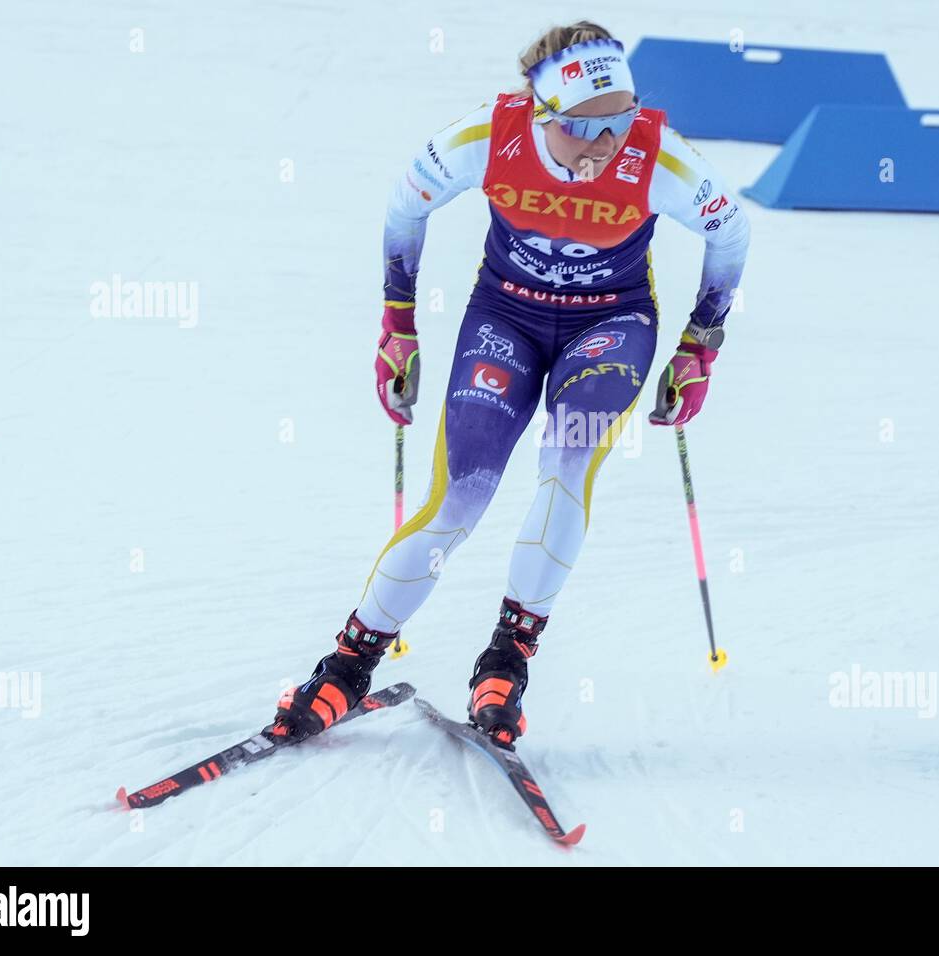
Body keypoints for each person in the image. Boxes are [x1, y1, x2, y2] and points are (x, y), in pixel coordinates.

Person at [268, 22, 749, 749]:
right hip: (506, 324)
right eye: (584, 127)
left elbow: (732, 231)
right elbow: (406, 209)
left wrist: (697, 347)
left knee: (567, 465)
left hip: (609, 330)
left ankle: (507, 659)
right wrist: (398, 325)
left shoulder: (659, 160)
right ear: (542, 113)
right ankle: (348, 663)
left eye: (619, 123)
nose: (605, 144)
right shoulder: (486, 139)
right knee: (459, 496)